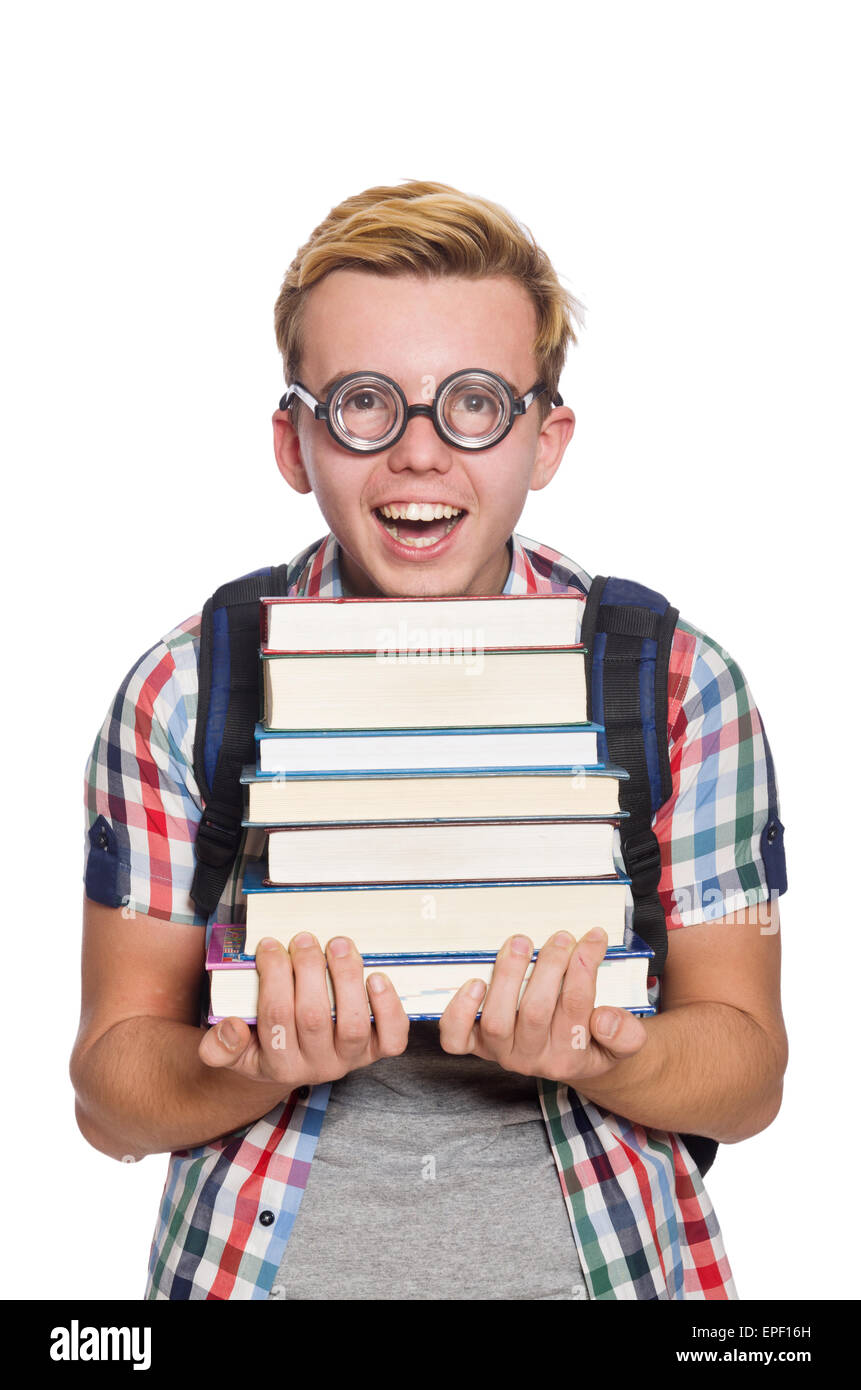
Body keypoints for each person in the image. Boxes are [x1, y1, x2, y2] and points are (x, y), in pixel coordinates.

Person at [73, 180, 788, 1301]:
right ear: (294, 439)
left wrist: (614, 1050)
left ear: (545, 437)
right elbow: (111, 1092)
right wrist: (253, 1065)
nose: (419, 452)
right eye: (365, 401)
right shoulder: (184, 688)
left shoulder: (679, 684)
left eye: (474, 403)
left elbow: (748, 1075)